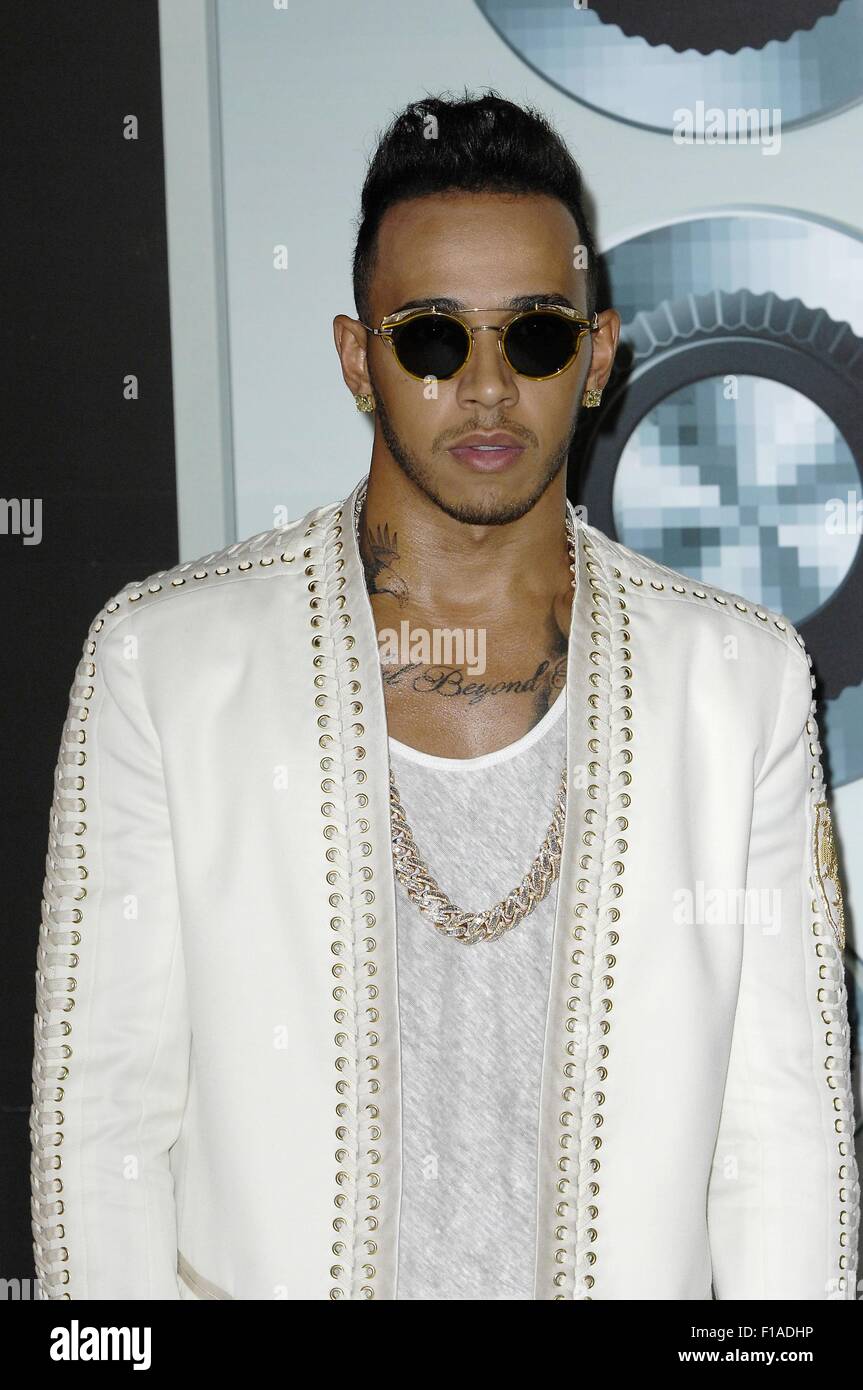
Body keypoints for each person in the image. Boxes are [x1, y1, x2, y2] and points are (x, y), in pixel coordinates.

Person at [30, 90, 859, 1301]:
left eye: (533, 336)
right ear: (357, 356)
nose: (483, 386)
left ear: (599, 355)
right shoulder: (167, 665)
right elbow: (100, 1130)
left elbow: (781, 1148)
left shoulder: (734, 686)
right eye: (430, 336)